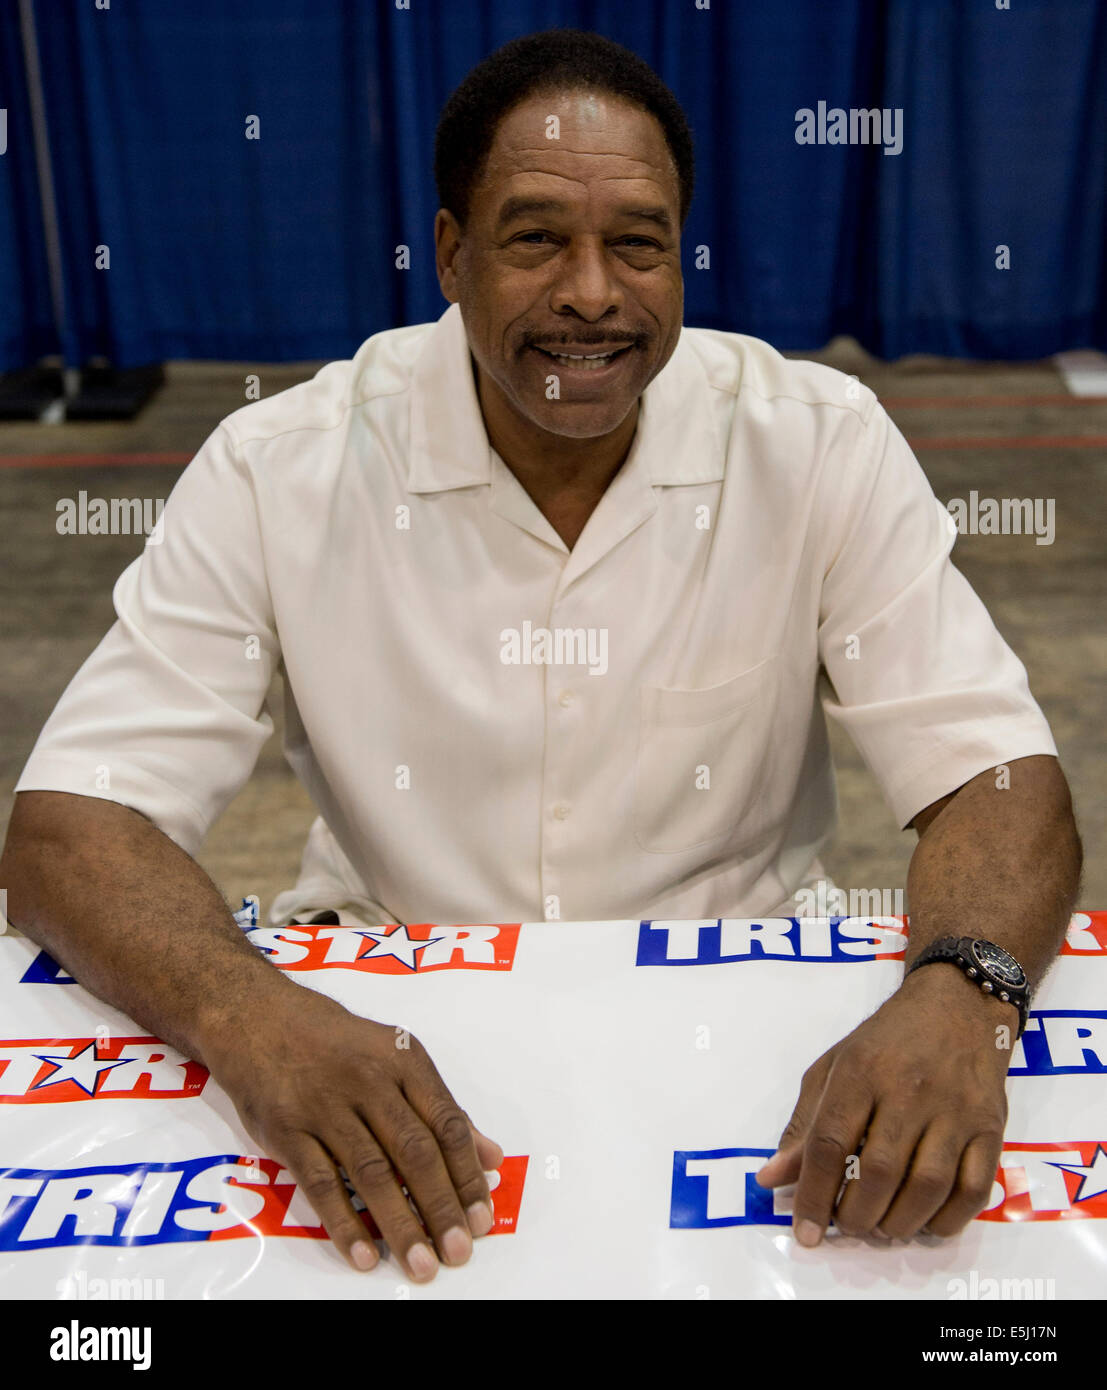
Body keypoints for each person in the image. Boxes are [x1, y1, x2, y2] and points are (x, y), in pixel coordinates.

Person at [1, 29, 1081, 1284]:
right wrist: (254, 1020)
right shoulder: (279, 466)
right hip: (381, 1012)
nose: (591, 293)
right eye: (534, 241)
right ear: (450, 255)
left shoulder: (816, 443)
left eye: (637, 242)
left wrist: (963, 987)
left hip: (734, 1024)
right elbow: (72, 821)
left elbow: (999, 774)